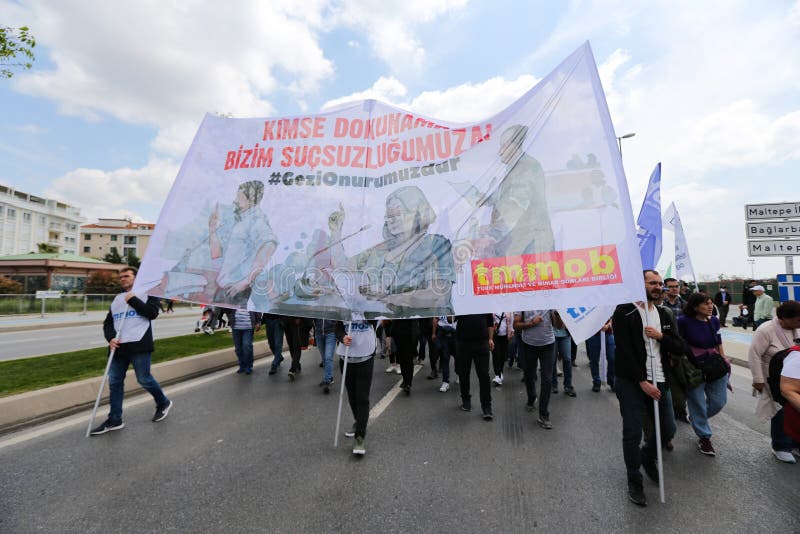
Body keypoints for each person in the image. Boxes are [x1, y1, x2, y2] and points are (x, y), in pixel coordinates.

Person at [327, 186, 455, 316]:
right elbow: (342, 268)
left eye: (398, 214)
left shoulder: (436, 244)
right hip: (389, 330)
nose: (392, 221)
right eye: (389, 216)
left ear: (417, 213)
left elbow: (439, 296)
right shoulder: (381, 249)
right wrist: (336, 232)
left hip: (428, 329)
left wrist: (388, 298)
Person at [612, 270, 681, 507]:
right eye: (653, 283)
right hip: (632, 381)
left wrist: (661, 336)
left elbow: (679, 346)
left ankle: (647, 456)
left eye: (660, 284)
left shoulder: (664, 313)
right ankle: (634, 480)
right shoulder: (625, 311)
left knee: (668, 428)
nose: (658, 287)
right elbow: (624, 351)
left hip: (661, 379)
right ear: (639, 284)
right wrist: (642, 381)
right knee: (632, 431)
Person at [91, 267, 172, 435]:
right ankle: (115, 419)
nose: (122, 279)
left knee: (144, 379)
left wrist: (133, 300)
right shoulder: (117, 299)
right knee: (114, 383)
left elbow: (152, 313)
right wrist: (111, 338)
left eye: (126, 276)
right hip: (118, 347)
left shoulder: (149, 293)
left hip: (139, 344)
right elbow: (108, 323)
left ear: (136, 278)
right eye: (120, 277)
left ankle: (163, 402)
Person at [208, 180, 278, 308]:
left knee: (240, 325)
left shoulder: (257, 221)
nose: (235, 200)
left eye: (240, 198)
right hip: (226, 289)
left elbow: (269, 245)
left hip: (238, 292)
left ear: (251, 200)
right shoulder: (240, 220)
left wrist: (245, 282)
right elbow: (216, 254)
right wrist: (212, 229)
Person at [747, 300, 800, 463]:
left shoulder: (797, 328)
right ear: (783, 318)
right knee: (781, 410)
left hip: (795, 376)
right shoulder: (766, 330)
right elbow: (754, 354)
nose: (799, 323)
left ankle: (796, 443)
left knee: (795, 410)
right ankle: (781, 446)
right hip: (772, 377)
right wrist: (758, 379)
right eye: (796, 320)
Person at [677, 293, 729, 456]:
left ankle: (696, 418)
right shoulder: (682, 321)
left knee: (718, 402)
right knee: (697, 402)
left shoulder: (713, 320)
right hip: (693, 368)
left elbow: (719, 341)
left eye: (711, 303)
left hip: (714, 365)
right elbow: (679, 344)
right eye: (706, 304)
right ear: (694, 306)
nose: (710, 306)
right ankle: (704, 438)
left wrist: (723, 359)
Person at [336, 320, 377, 456]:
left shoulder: (370, 304)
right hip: (346, 357)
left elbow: (374, 320)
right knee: (352, 396)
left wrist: (364, 308)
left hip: (365, 357)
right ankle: (359, 421)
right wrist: (342, 337)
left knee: (362, 398)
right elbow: (338, 327)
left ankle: (360, 437)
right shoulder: (343, 304)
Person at [514, 310, 556, 429]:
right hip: (528, 345)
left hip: (548, 345)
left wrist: (557, 314)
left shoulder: (550, 299)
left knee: (547, 379)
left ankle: (544, 414)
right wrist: (531, 323)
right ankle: (531, 397)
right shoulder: (523, 299)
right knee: (529, 375)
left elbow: (559, 325)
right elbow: (515, 325)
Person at [454, 313, 495, 419]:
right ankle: (466, 400)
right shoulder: (461, 299)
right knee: (463, 373)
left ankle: (487, 407)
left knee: (484, 375)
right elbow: (451, 319)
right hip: (463, 342)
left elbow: (490, 323)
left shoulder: (484, 300)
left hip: (482, 343)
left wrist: (490, 338)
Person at [390, 318, 420, 395]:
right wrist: (391, 335)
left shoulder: (412, 312)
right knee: (402, 361)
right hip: (399, 339)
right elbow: (394, 324)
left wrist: (415, 340)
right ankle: (405, 380)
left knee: (409, 362)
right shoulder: (399, 311)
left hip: (410, 339)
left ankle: (408, 383)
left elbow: (415, 326)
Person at [229, 308, 262, 375]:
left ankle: (248, 365)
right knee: (238, 349)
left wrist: (258, 322)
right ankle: (242, 365)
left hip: (248, 327)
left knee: (247, 346)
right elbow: (227, 310)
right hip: (236, 327)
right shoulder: (233, 298)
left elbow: (257, 309)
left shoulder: (251, 299)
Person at [550, 311, 576, 397]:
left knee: (567, 359)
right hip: (552, 335)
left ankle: (568, 385)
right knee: (552, 360)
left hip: (565, 335)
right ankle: (553, 384)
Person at [586, 319, 615, 393]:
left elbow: (612, 316)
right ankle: (596, 382)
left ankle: (611, 380)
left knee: (612, 358)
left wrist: (608, 325)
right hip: (593, 335)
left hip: (608, 333)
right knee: (594, 360)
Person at [432, 316, 457, 392]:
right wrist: (433, 333)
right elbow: (435, 318)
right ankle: (445, 382)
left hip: (455, 334)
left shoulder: (459, 305)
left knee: (458, 357)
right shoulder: (441, 304)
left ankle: (458, 373)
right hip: (443, 334)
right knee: (445, 358)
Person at [314, 318, 337, 393]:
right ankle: (329, 377)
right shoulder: (317, 306)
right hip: (318, 333)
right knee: (324, 358)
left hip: (331, 333)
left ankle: (327, 381)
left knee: (328, 357)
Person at [491, 311, 513, 386]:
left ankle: (500, 373)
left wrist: (512, 330)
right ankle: (497, 375)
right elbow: (489, 320)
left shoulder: (508, 309)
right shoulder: (492, 308)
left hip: (505, 336)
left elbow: (511, 321)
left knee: (502, 356)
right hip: (495, 335)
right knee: (496, 354)